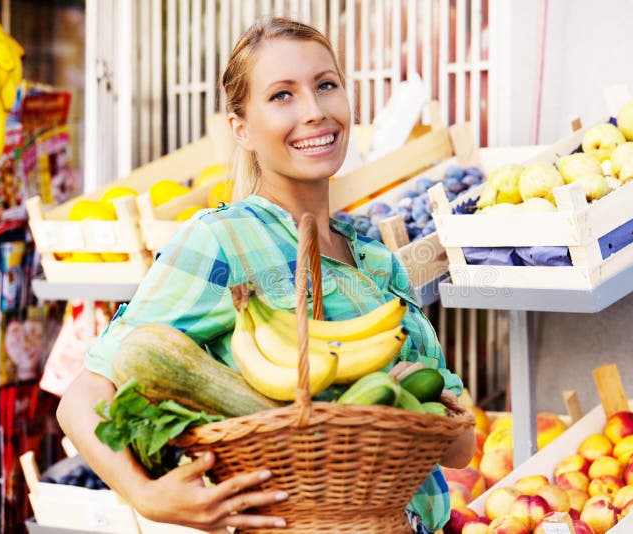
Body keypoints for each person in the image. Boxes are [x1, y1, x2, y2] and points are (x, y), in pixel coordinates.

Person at [57, 16, 475, 533]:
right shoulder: (220, 240)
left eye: (326, 85)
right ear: (241, 128)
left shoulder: (377, 259)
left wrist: (415, 404)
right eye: (282, 96)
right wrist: (147, 497)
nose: (315, 111)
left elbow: (459, 447)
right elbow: (84, 395)